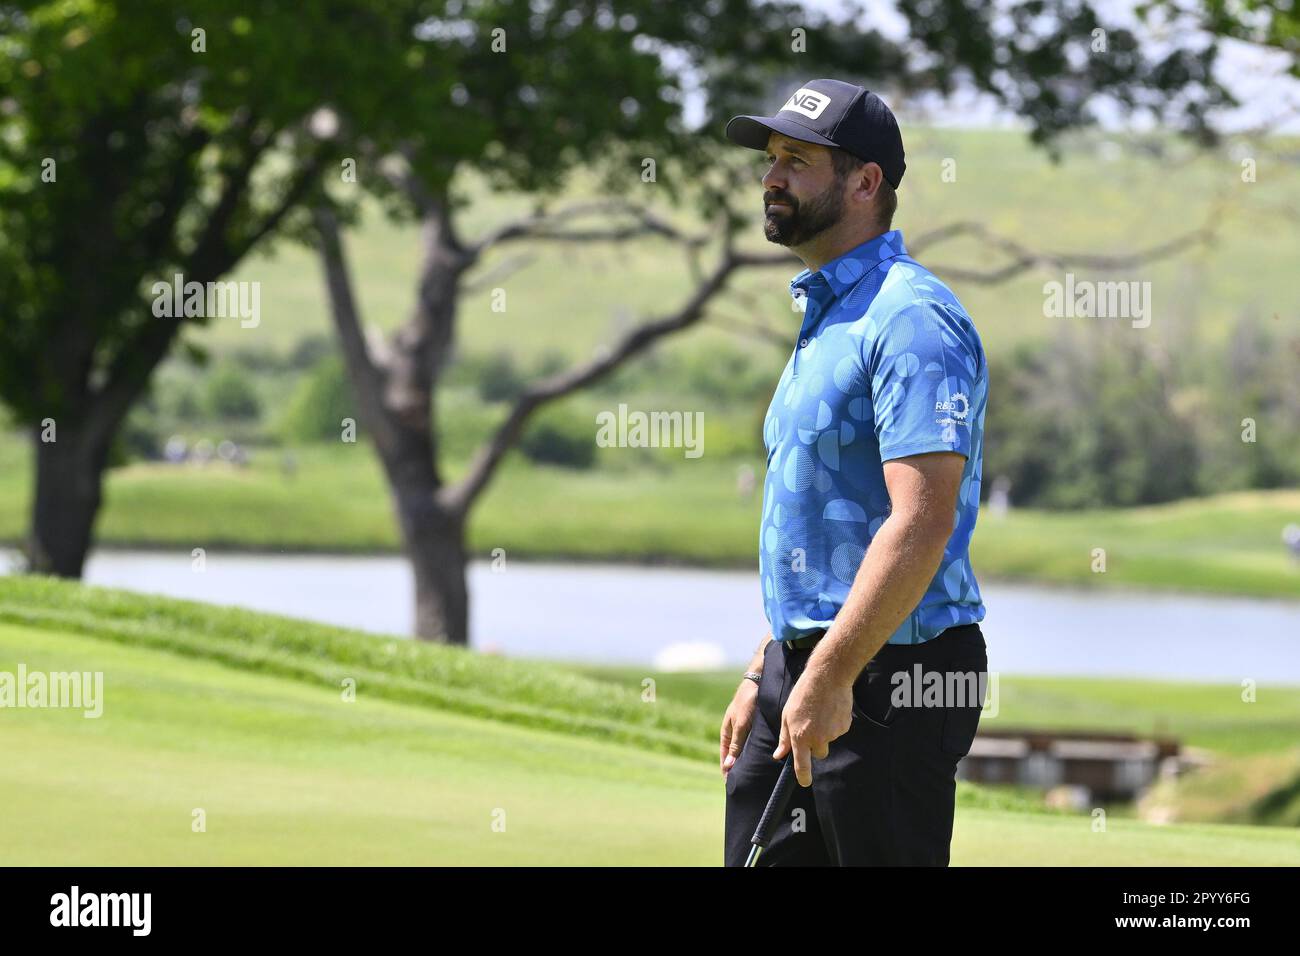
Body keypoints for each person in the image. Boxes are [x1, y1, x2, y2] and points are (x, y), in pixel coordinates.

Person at [719, 79, 990, 866]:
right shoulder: (834, 313)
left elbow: (921, 520)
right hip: (805, 668)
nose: (772, 179)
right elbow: (826, 515)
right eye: (771, 160)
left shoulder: (910, 319)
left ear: (866, 182)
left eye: (797, 162)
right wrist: (766, 665)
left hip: (892, 679)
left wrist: (830, 673)